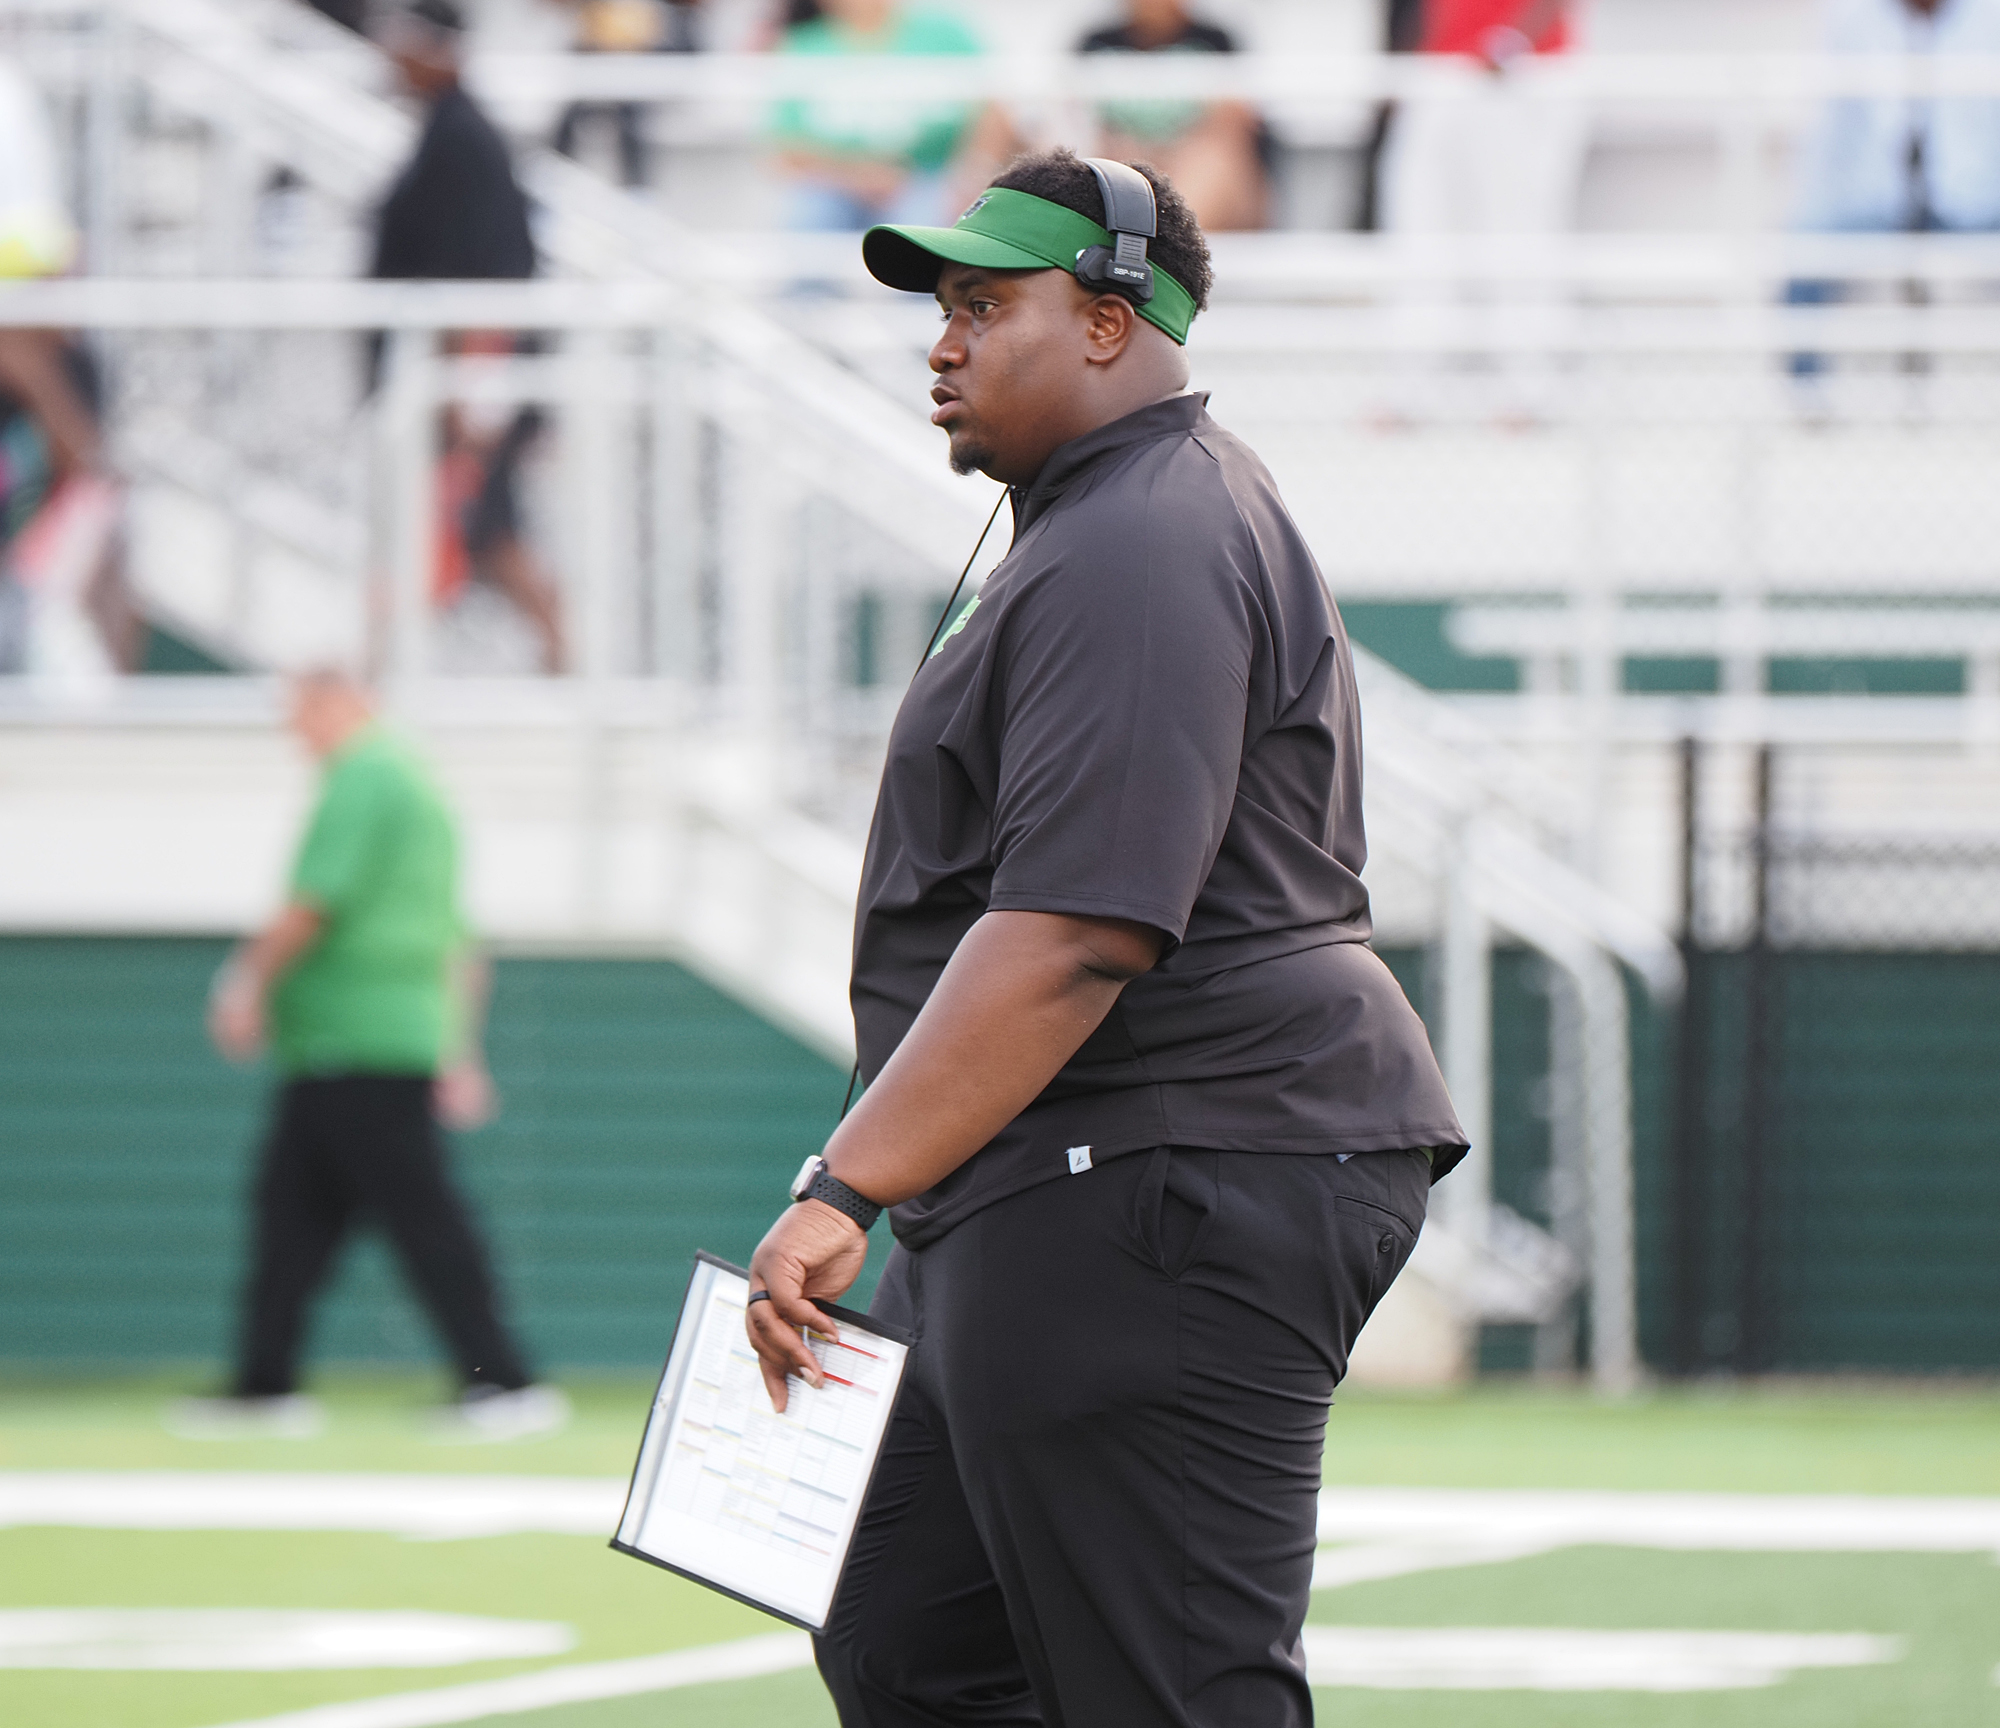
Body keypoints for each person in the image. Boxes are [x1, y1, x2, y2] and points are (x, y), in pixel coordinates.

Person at [744, 147, 1465, 1725]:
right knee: (908, 1633)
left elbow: (1077, 929)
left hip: (1174, 1163)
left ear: (1110, 321)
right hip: (1076, 1164)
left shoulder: (1142, 539)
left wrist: (850, 1181)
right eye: (941, 307)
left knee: (1167, 1695)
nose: (942, 341)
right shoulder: (1092, 526)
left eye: (984, 304)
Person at [180, 669, 565, 1442]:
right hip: (368, 1043)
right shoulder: (421, 788)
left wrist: (243, 983)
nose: (297, 736)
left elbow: (312, 901)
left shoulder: (363, 776)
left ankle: (504, 1384)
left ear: (336, 701)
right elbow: (460, 942)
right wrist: (459, 1049)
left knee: (424, 1222)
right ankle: (264, 1388)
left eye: (300, 715)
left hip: (355, 1043)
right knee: (292, 1221)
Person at [370, 0, 567, 672]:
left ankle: (561, 657)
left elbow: (483, 271)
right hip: (466, 366)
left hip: (474, 366)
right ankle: (556, 658)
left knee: (483, 518)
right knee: (473, 520)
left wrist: (466, 388)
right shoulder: (451, 130)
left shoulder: (462, 136)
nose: (391, 55)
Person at [1377, 0, 1586, 422]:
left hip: (1522, 69)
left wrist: (1514, 43)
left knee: (1515, 228)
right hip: (1444, 66)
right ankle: (1411, 386)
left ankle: (1531, 388)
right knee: (1422, 226)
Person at [1785, 0, 2000, 381]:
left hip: (1973, 199)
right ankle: (1807, 402)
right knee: (1803, 254)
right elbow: (1831, 134)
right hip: (1877, 198)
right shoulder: (1849, 17)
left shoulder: (1989, 16)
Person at [768, 0, 983, 230]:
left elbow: (994, 103)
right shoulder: (804, 46)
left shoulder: (943, 31)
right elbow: (785, 147)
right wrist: (856, 176)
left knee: (922, 231)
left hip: (933, 175)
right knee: (808, 223)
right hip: (835, 183)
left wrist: (970, 176)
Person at [1078, 0, 1270, 232]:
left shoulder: (1216, 41)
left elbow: (1234, 123)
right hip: (1126, 159)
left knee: (1212, 157)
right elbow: (1079, 119)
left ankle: (1170, 239)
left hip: (1201, 173)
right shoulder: (1095, 43)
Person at [552, 0, 702, 189]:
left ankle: (637, 188)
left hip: (645, 62)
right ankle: (557, 180)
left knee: (632, 118)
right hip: (602, 62)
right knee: (571, 119)